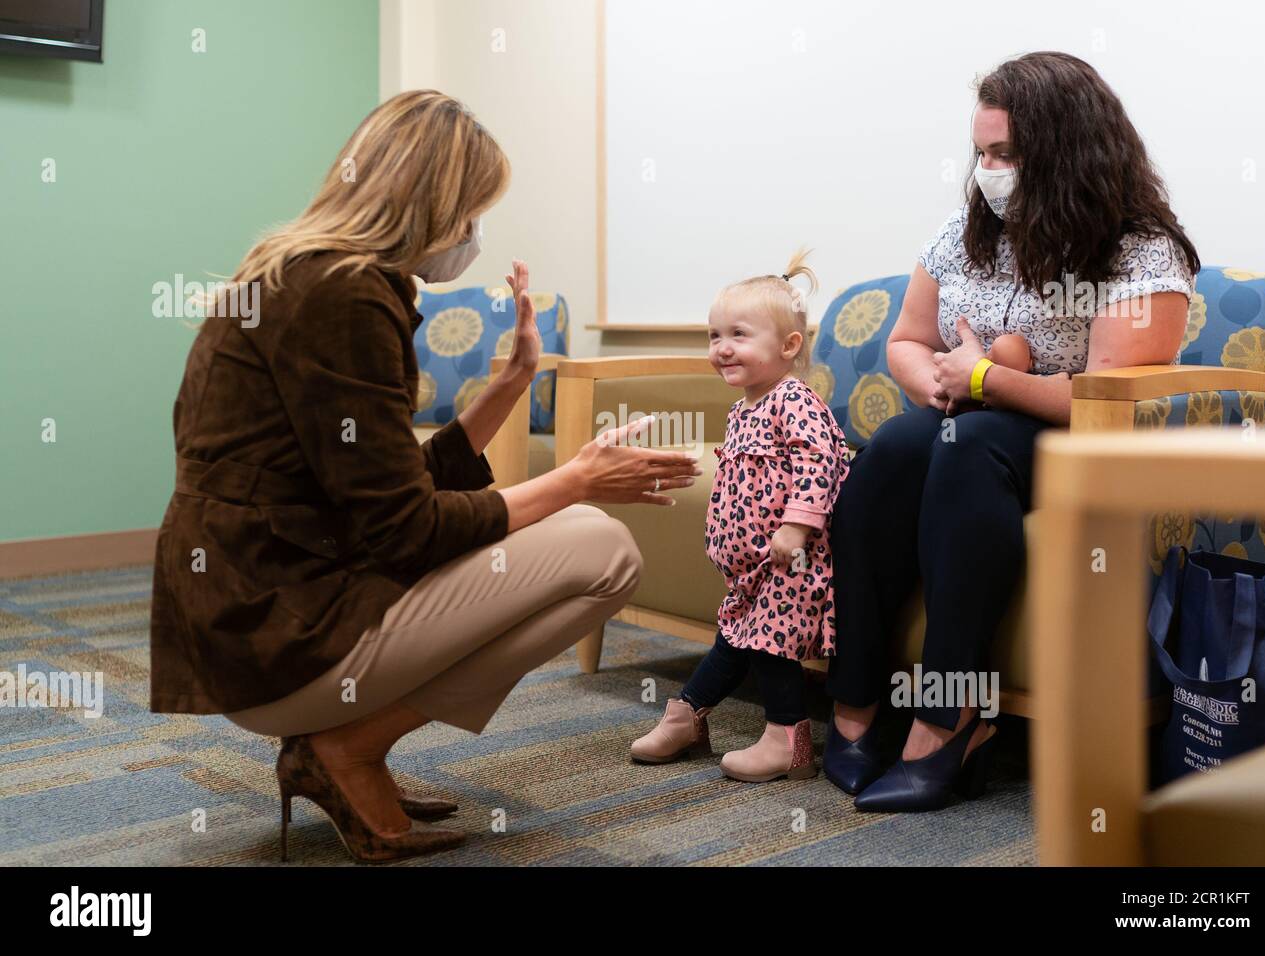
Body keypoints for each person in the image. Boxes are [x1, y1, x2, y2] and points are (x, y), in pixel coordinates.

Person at [148, 91, 702, 862]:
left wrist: (510, 386)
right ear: (430, 203)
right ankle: (346, 744)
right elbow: (405, 531)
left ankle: (349, 741)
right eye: (471, 213)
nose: (474, 236)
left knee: (575, 529)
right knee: (601, 549)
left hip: (252, 616)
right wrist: (575, 479)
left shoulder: (300, 274)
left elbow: (377, 483)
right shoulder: (343, 294)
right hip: (275, 635)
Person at [823, 52, 1200, 812]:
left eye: (1007, 154)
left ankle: (950, 716)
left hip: (1070, 440)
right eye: (982, 154)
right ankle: (856, 703)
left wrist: (983, 381)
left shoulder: (1142, 251)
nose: (990, 171)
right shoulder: (967, 234)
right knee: (892, 451)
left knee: (969, 449)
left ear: (1067, 152)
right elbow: (907, 337)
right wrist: (930, 378)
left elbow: (1103, 396)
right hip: (966, 414)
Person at [629, 250, 851, 782]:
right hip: (750, 565)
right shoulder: (743, 407)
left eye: (739, 335)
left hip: (789, 560)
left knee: (770, 645)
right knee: (735, 636)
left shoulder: (794, 401)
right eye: (713, 336)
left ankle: (787, 741)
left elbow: (820, 463)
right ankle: (687, 716)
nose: (722, 348)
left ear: (789, 345)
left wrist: (795, 527)